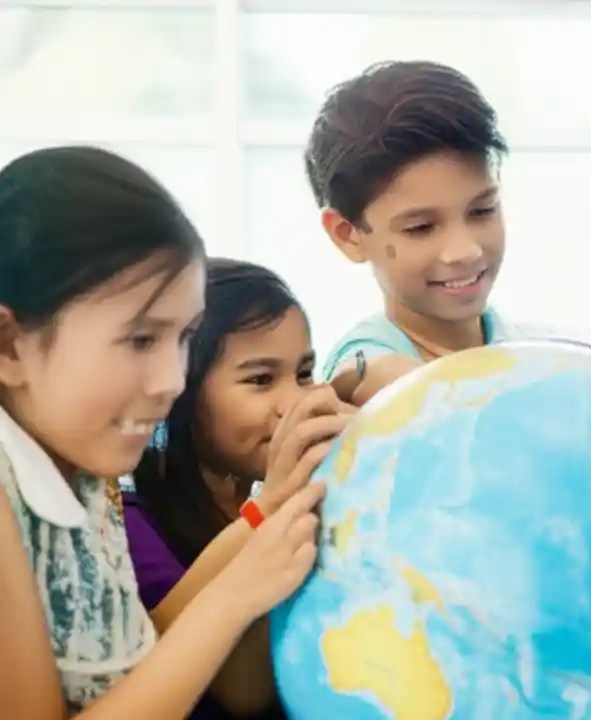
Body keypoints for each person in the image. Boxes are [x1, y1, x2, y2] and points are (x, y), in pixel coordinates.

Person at [0, 146, 324, 719]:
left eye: (184, 339)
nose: (173, 380)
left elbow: (134, 660)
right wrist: (233, 598)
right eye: (142, 340)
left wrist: (265, 510)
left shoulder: (84, 477)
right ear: (9, 346)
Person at [125, 259, 351, 719]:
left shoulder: (279, 496)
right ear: (180, 389)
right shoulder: (132, 524)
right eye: (261, 380)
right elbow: (242, 693)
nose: (296, 401)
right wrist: (273, 508)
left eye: (304, 373)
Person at [306, 60, 519, 406]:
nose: (465, 251)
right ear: (348, 234)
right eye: (421, 228)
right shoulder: (364, 371)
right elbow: (385, 382)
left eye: (481, 211)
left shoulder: (524, 348)